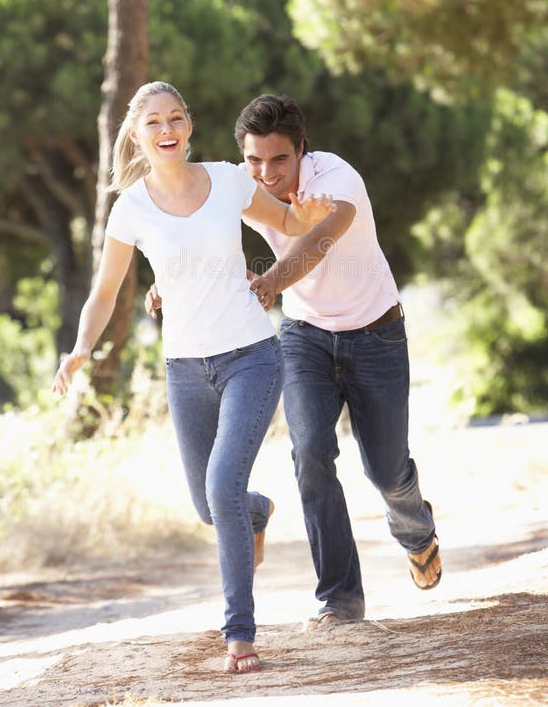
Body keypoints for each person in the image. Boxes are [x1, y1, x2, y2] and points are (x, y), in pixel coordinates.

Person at [52, 81, 334, 672]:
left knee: (220, 485)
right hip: (184, 369)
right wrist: (80, 349)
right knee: (213, 505)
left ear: (189, 125)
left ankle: (240, 635)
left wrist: (306, 218)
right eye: (153, 121)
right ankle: (257, 512)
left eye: (175, 117)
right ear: (136, 134)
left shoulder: (229, 180)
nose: (166, 129)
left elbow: (284, 222)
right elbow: (105, 292)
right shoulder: (130, 208)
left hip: (252, 356)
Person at [147, 92, 442, 628]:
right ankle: (340, 599)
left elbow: (320, 240)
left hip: (375, 333)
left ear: (302, 151)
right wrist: (167, 282)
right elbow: (196, 235)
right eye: (254, 159)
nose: (265, 173)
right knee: (309, 455)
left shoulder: (337, 180)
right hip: (304, 336)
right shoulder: (237, 183)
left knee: (386, 468)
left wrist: (269, 283)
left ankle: (417, 530)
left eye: (279, 159)